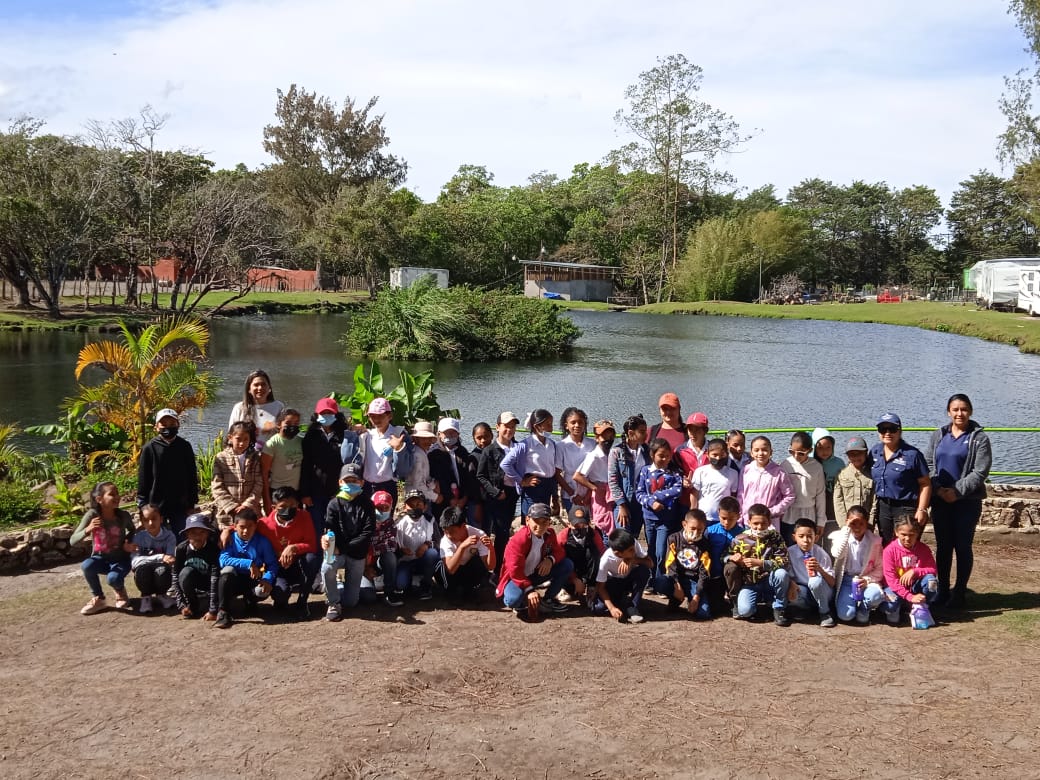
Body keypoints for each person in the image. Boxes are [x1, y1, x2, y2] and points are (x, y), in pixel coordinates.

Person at [924, 393, 992, 609]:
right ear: (948, 412)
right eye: (955, 409)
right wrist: (938, 489)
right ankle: (943, 590)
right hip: (941, 500)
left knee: (962, 546)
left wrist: (957, 491)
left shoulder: (979, 438)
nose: (959, 413)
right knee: (943, 547)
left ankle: (960, 593)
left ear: (970, 411)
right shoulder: (939, 435)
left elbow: (980, 471)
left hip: (966, 502)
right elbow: (928, 463)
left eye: (963, 409)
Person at [496, 503, 573, 620]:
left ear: (549, 523)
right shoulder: (519, 540)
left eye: (544, 522)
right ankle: (522, 602)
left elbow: (560, 552)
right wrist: (529, 589)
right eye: (536, 521)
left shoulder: (550, 534)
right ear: (527, 520)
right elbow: (514, 570)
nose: (540, 526)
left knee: (567, 565)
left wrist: (550, 560)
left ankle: (548, 599)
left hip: (535, 573)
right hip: (516, 578)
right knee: (513, 600)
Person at [320, 463, 375, 622]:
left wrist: (343, 547)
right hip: (336, 551)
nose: (351, 483)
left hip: (357, 554)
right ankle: (333, 603)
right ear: (340, 482)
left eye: (355, 480)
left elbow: (367, 532)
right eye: (347, 480)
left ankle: (338, 586)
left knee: (351, 602)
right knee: (327, 567)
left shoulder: (367, 504)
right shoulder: (334, 504)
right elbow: (329, 528)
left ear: (362, 483)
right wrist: (326, 540)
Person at [73, 481, 137, 615]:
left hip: (121, 559)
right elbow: (73, 540)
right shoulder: (92, 515)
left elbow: (133, 531)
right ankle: (99, 599)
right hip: (100, 559)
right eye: (112, 494)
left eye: (117, 494)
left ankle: (120, 592)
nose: (117, 497)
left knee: (113, 579)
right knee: (87, 565)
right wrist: (88, 529)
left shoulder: (123, 516)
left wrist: (128, 542)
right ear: (99, 499)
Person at [258, 486, 320, 620]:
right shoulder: (264, 524)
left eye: (293, 505)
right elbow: (244, 528)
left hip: (298, 565)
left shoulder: (304, 516)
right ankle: (280, 601)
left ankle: (302, 602)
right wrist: (229, 530)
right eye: (283, 506)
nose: (289, 509)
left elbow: (312, 545)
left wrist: (294, 548)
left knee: (312, 559)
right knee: (281, 593)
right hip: (277, 568)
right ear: (274, 507)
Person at [723, 503, 791, 625]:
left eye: (763, 523)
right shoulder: (740, 538)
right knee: (745, 612)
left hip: (769, 580)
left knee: (782, 574)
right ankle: (755, 605)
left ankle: (779, 608)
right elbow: (724, 556)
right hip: (750, 582)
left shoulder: (776, 537)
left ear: (769, 522)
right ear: (749, 522)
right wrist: (732, 557)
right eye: (755, 523)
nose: (759, 527)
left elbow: (784, 561)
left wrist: (762, 563)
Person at [870, 413, 931, 546]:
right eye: (883, 429)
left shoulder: (912, 454)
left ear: (900, 430)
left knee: (907, 545)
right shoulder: (874, 452)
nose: (887, 433)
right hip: (883, 506)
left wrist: (922, 510)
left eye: (892, 429)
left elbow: (925, 484)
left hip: (906, 506)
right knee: (886, 545)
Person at [137, 408, 198, 537]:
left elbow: (192, 475)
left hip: (180, 505)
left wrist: (192, 502)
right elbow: (143, 479)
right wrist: (142, 504)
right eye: (164, 424)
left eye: (172, 424)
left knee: (182, 536)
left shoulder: (184, 446)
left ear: (178, 425)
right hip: (157, 505)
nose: (168, 428)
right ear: (156, 427)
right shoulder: (149, 448)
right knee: (159, 539)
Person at [301, 397, 356, 539]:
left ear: (336, 415)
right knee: (316, 526)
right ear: (317, 415)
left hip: (337, 490)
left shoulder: (345, 435)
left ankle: (335, 554)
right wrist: (305, 493)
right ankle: (318, 556)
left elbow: (349, 462)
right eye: (323, 413)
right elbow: (306, 464)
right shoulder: (311, 436)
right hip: (315, 491)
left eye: (329, 413)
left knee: (337, 524)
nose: (326, 416)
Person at [216, 508, 279, 629]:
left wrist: (267, 579)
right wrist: (248, 563)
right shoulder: (230, 539)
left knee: (262, 591)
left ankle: (250, 600)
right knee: (226, 572)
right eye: (242, 527)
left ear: (255, 526)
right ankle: (223, 611)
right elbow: (223, 560)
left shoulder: (263, 541)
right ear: (235, 526)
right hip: (234, 579)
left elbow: (272, 564)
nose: (246, 531)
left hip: (253, 579)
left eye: (250, 526)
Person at [500, 409, 570, 519]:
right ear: (537, 426)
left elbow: (552, 471)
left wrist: (555, 496)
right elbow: (505, 464)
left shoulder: (551, 444)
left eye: (551, 424)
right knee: (531, 520)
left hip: (548, 486)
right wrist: (521, 481)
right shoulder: (525, 445)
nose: (551, 428)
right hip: (533, 487)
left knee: (544, 520)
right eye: (548, 424)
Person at [475, 411, 521, 572]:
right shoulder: (490, 450)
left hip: (513, 494)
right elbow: (480, 476)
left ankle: (500, 567)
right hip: (496, 497)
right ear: (498, 427)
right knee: (496, 532)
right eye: (506, 426)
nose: (509, 430)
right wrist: (495, 492)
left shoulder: (518, 447)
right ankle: (491, 569)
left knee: (505, 532)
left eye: (513, 426)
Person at [635, 438, 684, 586]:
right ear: (652, 454)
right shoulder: (645, 471)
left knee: (661, 551)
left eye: (668, 456)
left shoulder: (673, 473)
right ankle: (650, 579)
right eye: (661, 456)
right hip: (649, 518)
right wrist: (650, 502)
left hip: (665, 519)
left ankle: (660, 580)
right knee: (650, 550)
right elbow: (639, 493)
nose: (665, 459)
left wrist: (656, 497)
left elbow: (677, 489)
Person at [827, 505, 885, 624]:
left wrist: (867, 580)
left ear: (866, 523)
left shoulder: (874, 542)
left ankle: (864, 608)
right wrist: (847, 529)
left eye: (861, 524)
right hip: (847, 580)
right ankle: (852, 605)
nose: (857, 528)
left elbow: (880, 568)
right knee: (846, 616)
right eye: (854, 524)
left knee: (875, 596)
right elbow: (837, 553)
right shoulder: (840, 537)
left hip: (865, 579)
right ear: (847, 522)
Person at [880, 515, 940, 626]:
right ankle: (898, 607)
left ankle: (922, 605)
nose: (907, 538)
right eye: (903, 534)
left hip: (914, 586)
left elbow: (933, 570)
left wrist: (915, 571)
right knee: (891, 608)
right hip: (895, 588)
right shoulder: (889, 551)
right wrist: (910, 597)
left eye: (912, 535)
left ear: (917, 534)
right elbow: (891, 581)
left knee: (932, 582)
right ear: (896, 532)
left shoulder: (923, 549)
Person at [360, 397, 413, 512]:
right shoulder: (366, 435)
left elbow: (404, 470)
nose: (376, 419)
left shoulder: (399, 434)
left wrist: (399, 449)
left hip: (391, 486)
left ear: (390, 416)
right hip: (368, 486)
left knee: (390, 519)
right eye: (372, 416)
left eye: (380, 416)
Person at [658, 509, 712, 618]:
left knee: (704, 614)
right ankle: (676, 599)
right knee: (659, 582)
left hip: (694, 581)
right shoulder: (673, 538)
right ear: (684, 524)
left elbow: (704, 572)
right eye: (692, 528)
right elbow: (670, 564)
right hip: (677, 578)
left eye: (700, 529)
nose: (696, 533)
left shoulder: (705, 544)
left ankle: (691, 599)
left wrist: (696, 597)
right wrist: (676, 584)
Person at [592, 528, 653, 624]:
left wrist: (633, 560)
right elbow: (601, 588)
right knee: (598, 608)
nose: (634, 551)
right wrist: (612, 608)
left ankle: (633, 606)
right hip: (613, 582)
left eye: (633, 548)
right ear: (618, 553)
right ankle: (620, 602)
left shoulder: (633, 543)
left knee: (643, 571)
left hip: (629, 579)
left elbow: (650, 563)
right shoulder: (606, 560)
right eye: (630, 550)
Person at [212, 420, 264, 529]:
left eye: (246, 439)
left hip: (250, 510)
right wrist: (232, 506)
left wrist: (247, 504)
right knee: (227, 540)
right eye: (238, 439)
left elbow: (259, 483)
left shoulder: (255, 458)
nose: (242, 443)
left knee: (249, 536)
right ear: (230, 438)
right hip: (227, 513)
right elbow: (217, 486)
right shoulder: (221, 458)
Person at [438, 506, 496, 602]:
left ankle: (469, 589)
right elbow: (450, 570)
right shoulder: (445, 540)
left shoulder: (479, 534)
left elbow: (490, 566)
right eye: (445, 531)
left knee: (478, 563)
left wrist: (491, 548)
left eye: (452, 531)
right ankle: (450, 590)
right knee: (442, 567)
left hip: (467, 569)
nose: (449, 535)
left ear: (463, 526)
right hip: (452, 574)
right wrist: (462, 547)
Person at [786, 517, 836, 627]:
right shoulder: (789, 553)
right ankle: (807, 609)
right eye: (801, 536)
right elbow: (788, 574)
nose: (805, 540)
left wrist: (820, 570)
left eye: (810, 536)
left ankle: (825, 613)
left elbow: (832, 583)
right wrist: (791, 583)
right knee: (790, 590)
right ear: (794, 537)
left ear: (816, 538)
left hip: (823, 590)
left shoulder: (821, 554)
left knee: (815, 582)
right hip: (804, 589)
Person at [607, 414, 650, 543]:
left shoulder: (646, 451)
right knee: (623, 537)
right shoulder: (616, 452)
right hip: (624, 501)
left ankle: (632, 562)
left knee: (634, 537)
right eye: (642, 432)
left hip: (640, 501)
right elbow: (613, 481)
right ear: (631, 433)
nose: (645, 435)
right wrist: (621, 505)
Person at [572, 419, 616, 538]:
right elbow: (577, 476)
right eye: (604, 437)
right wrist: (594, 488)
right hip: (599, 493)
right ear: (597, 438)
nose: (608, 440)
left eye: (611, 436)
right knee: (602, 523)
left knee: (612, 522)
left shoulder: (611, 453)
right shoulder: (594, 456)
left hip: (610, 491)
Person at [780, 431, 827, 544]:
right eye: (792, 452)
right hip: (788, 515)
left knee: (807, 547)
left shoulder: (816, 467)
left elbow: (820, 494)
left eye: (801, 453)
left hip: (808, 514)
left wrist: (821, 521)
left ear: (810, 451)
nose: (796, 456)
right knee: (789, 548)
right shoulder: (785, 464)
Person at [427, 417, 477, 524]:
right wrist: (450, 498)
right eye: (446, 433)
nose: (450, 436)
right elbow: (439, 478)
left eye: (453, 433)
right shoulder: (434, 454)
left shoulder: (462, 452)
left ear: (458, 434)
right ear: (439, 434)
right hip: (443, 501)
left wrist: (464, 497)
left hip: (461, 500)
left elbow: (468, 476)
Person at [171, 513, 220, 621]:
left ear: (207, 533)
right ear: (187, 534)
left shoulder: (213, 549)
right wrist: (182, 605)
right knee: (185, 573)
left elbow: (214, 578)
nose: (198, 536)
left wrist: (213, 610)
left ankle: (216, 603)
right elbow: (175, 576)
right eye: (193, 532)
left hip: (209, 581)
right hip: (193, 581)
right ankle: (192, 604)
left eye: (202, 532)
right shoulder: (181, 549)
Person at [740, 436, 794, 532]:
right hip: (748, 521)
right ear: (751, 453)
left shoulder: (778, 472)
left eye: (764, 450)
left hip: (769, 523)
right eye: (756, 450)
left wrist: (773, 511)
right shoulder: (746, 470)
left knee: (769, 546)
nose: (760, 453)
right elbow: (741, 495)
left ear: (771, 452)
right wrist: (740, 518)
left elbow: (790, 496)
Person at [130, 504, 177, 614]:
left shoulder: (169, 536)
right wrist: (160, 557)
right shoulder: (138, 537)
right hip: (144, 570)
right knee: (142, 570)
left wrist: (149, 559)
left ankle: (162, 594)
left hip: (160, 569)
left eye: (154, 519)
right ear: (142, 522)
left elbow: (170, 559)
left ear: (161, 519)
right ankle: (146, 597)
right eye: (146, 520)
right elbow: (135, 561)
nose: (151, 523)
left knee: (162, 570)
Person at [395, 489, 439, 601]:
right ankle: (409, 583)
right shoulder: (398, 522)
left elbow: (438, 542)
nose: (415, 507)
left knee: (432, 554)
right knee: (401, 584)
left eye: (419, 504)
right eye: (411, 504)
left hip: (423, 561)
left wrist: (426, 545)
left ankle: (426, 585)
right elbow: (392, 545)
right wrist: (401, 550)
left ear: (425, 507)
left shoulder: (430, 520)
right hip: (405, 561)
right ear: (405, 507)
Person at [704, 496, 745, 615]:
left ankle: (734, 600)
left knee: (732, 567)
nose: (726, 522)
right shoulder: (710, 531)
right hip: (714, 575)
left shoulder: (743, 534)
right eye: (723, 518)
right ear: (718, 513)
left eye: (731, 519)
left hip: (734, 576)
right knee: (715, 609)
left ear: (738, 515)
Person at [557, 504, 605, 605]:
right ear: (569, 524)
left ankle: (591, 587)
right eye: (576, 526)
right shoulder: (563, 537)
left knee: (594, 553)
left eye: (584, 525)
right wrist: (574, 579)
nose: (580, 528)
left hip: (589, 570)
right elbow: (558, 560)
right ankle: (565, 588)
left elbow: (602, 556)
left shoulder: (594, 535)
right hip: (571, 571)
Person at [227, 369, 285, 447]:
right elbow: (231, 435)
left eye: (263, 384)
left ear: (269, 388)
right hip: (245, 455)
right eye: (256, 385)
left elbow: (283, 434)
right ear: (249, 389)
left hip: (270, 455)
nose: (260, 388)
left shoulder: (278, 406)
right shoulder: (239, 408)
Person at [261, 407, 304, 509]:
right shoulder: (272, 444)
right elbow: (264, 474)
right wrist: (267, 501)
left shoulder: (301, 441)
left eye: (296, 423)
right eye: (288, 423)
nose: (292, 426)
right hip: (277, 492)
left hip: (296, 491)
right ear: (279, 424)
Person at [688, 438, 739, 523]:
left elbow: (733, 496)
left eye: (722, 455)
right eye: (714, 455)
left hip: (723, 519)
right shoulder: (700, 471)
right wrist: (693, 513)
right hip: (703, 517)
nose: (718, 458)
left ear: (727, 454)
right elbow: (694, 494)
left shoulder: (733, 473)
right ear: (707, 455)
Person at [557, 407, 595, 513]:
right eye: (573, 422)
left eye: (580, 422)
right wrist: (572, 494)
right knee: (574, 523)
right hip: (570, 492)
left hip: (589, 491)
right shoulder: (561, 446)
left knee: (588, 524)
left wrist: (589, 494)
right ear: (566, 425)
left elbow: (595, 471)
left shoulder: (592, 444)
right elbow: (557, 473)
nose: (577, 425)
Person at [833, 437, 876, 529]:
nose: (856, 457)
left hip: (866, 524)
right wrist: (844, 524)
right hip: (848, 524)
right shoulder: (842, 475)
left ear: (866, 453)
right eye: (852, 454)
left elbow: (874, 502)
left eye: (859, 454)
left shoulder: (872, 475)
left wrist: (869, 523)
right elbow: (838, 501)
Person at [370, 489, 403, 607]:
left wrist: (372, 548)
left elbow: (390, 546)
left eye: (386, 508)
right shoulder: (364, 521)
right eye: (379, 507)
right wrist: (365, 568)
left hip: (379, 562)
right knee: (368, 596)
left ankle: (389, 592)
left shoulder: (390, 523)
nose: (382, 511)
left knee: (390, 557)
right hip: (363, 564)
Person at [812, 427, 845, 531]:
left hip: (832, 500)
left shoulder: (838, 463)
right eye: (820, 448)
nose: (824, 451)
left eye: (828, 448)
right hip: (815, 501)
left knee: (831, 527)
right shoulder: (811, 463)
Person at [404, 420, 441, 507]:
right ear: (416, 439)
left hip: (420, 495)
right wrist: (435, 497)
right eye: (423, 438)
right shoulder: (418, 455)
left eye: (429, 438)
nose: (427, 441)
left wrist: (433, 484)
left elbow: (424, 478)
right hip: (417, 498)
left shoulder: (421, 452)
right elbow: (418, 484)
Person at [675, 412, 711, 481]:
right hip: (689, 490)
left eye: (697, 430)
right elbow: (676, 473)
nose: (693, 433)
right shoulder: (679, 451)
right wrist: (683, 481)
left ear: (705, 431)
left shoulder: (713, 450)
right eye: (690, 429)